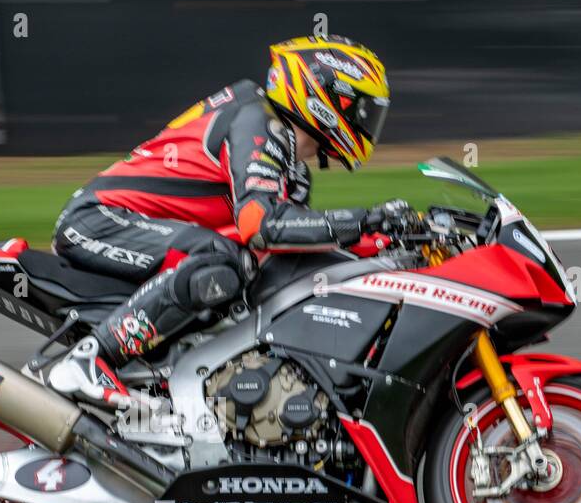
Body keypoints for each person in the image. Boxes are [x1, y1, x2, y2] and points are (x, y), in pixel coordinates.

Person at [46, 35, 415, 405]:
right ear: (324, 96)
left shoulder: (293, 164)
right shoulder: (258, 119)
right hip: (98, 220)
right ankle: (92, 358)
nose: (367, 123)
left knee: (252, 274)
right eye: (361, 109)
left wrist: (389, 243)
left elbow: (294, 244)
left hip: (139, 228)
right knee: (224, 261)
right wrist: (366, 220)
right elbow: (261, 225)